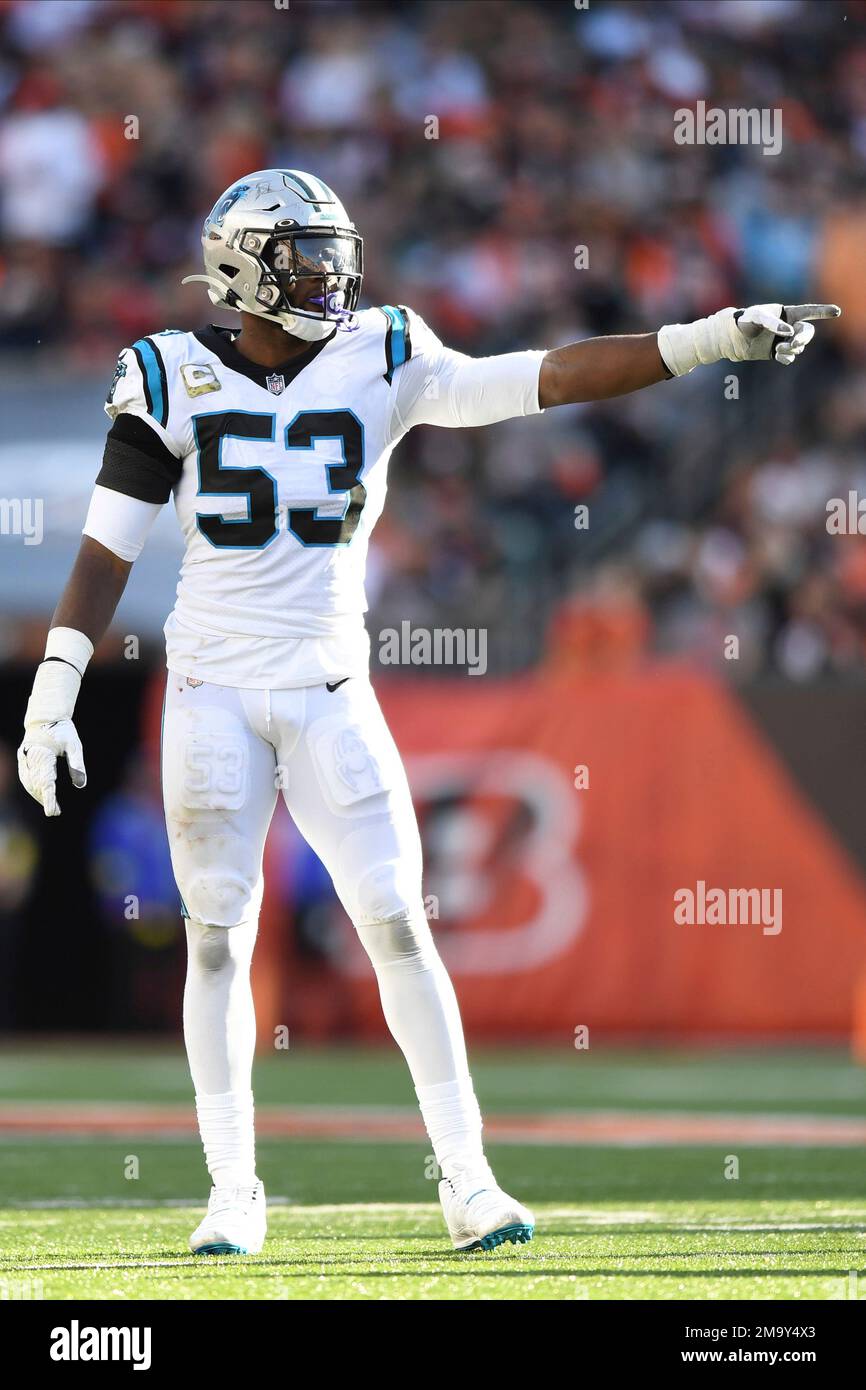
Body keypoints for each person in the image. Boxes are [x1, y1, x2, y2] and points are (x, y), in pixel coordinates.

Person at [17, 169, 839, 1256]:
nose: (333, 273)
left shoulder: (383, 355)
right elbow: (106, 548)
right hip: (211, 691)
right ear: (244, 268)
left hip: (328, 688)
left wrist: (701, 340)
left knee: (399, 924)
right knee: (216, 942)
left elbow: (532, 379)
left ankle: (466, 1178)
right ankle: (232, 1191)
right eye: (307, 255)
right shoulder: (170, 376)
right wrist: (53, 690)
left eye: (333, 250)